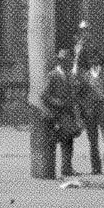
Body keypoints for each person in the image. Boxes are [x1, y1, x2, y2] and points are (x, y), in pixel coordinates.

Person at [41, 48, 81, 177]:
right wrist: (57, 102)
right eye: (65, 60)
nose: (68, 63)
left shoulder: (69, 75)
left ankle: (67, 168)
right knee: (53, 143)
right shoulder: (53, 75)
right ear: (60, 61)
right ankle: (49, 171)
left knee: (68, 142)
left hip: (68, 114)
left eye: (69, 60)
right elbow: (44, 95)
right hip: (56, 114)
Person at [75, 52, 104, 174]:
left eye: (97, 63)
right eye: (93, 62)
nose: (95, 65)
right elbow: (79, 91)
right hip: (90, 110)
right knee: (93, 141)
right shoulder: (85, 76)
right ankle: (96, 167)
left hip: (103, 108)